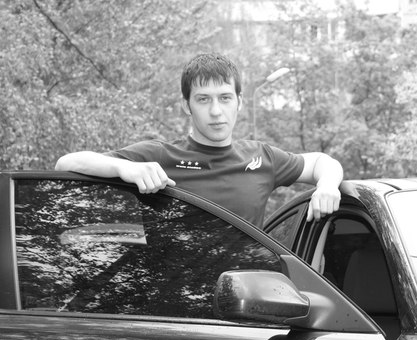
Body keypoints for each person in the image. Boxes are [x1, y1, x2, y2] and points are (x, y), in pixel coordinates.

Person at [55, 52, 342, 227]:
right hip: (177, 305)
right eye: (203, 99)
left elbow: (322, 162)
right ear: (186, 105)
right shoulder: (160, 156)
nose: (216, 111)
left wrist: (327, 186)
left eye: (225, 98)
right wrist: (125, 168)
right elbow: (66, 163)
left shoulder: (261, 158)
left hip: (246, 303)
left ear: (239, 102)